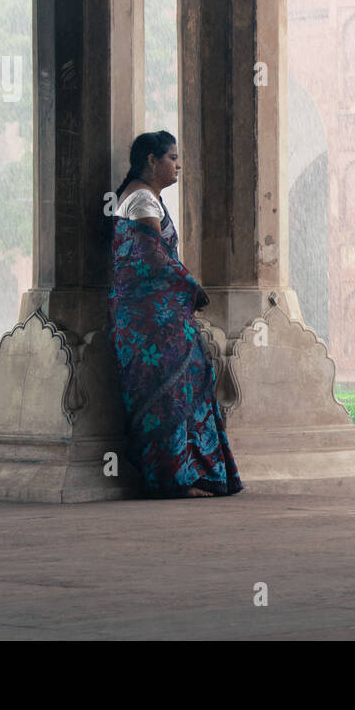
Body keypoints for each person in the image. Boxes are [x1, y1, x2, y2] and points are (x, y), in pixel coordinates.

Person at [107, 131, 243, 498]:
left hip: (151, 320)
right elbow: (150, 259)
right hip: (148, 324)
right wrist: (191, 286)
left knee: (187, 384)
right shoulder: (141, 201)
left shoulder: (145, 198)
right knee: (169, 397)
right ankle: (172, 480)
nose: (178, 165)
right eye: (171, 157)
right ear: (151, 161)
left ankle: (190, 474)